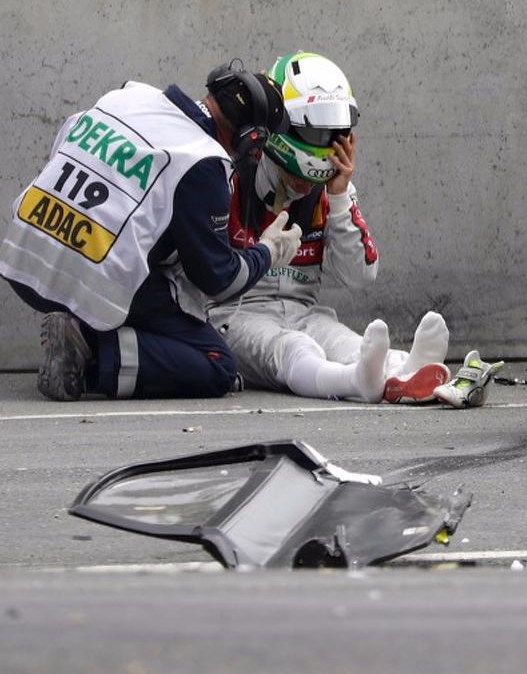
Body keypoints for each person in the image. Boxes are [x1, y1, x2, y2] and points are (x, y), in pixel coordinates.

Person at [213, 51, 504, 407]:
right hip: (235, 317)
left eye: (334, 130)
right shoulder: (231, 175)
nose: (329, 142)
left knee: (349, 343)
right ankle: (356, 382)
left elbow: (361, 275)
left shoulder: (329, 189)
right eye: (315, 129)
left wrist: (337, 198)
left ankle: (409, 370)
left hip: (304, 312)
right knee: (295, 348)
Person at [0, 64, 303, 400]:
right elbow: (219, 278)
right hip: (89, 277)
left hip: (24, 254)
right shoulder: (202, 160)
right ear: (252, 138)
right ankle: (87, 351)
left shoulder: (127, 95)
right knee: (217, 364)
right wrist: (268, 251)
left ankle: (80, 326)